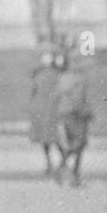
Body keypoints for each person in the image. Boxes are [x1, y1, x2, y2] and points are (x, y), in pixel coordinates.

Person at [52, 45, 92, 187]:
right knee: (79, 144)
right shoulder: (77, 78)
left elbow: (57, 96)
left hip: (65, 113)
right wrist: (85, 111)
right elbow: (78, 98)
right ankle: (68, 170)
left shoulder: (63, 77)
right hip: (75, 114)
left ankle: (68, 170)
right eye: (78, 60)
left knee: (75, 144)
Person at [28, 40, 62, 176]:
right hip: (43, 110)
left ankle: (59, 163)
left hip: (52, 110)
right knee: (47, 139)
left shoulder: (58, 75)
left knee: (56, 139)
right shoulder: (39, 75)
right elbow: (33, 92)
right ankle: (51, 163)